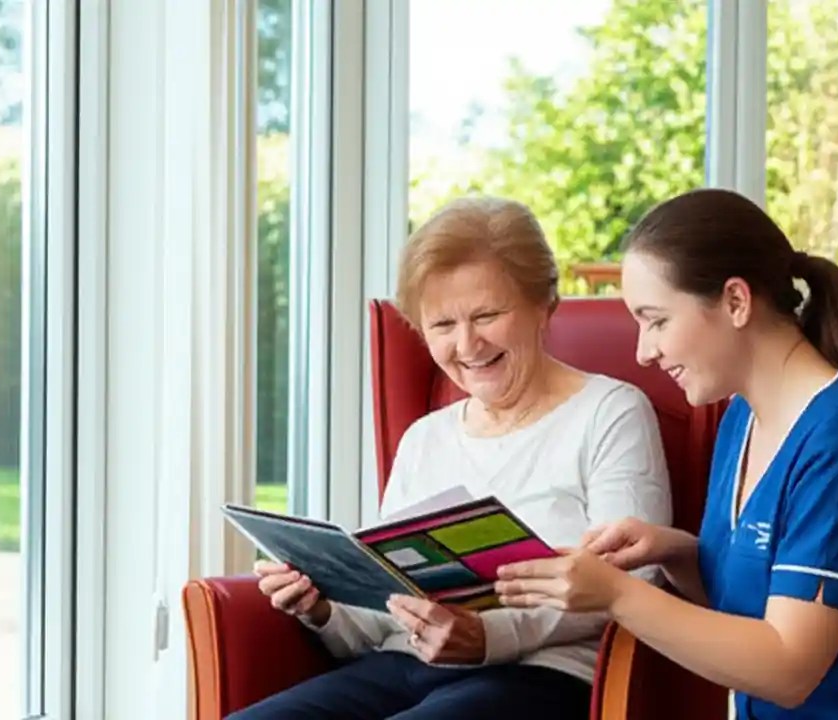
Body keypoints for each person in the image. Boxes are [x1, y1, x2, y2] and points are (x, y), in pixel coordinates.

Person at [495, 188, 838, 719]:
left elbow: (788, 668)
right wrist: (673, 552)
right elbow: (747, 607)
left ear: (736, 302)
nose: (643, 351)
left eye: (656, 321)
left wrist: (617, 595)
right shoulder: (743, 418)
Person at [229, 196, 673, 720]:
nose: (468, 344)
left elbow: (632, 583)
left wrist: (487, 635)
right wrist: (321, 606)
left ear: (543, 306)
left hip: (546, 674)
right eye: (442, 325)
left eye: (488, 315)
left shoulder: (609, 412)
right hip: (404, 665)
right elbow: (384, 614)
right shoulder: (425, 438)